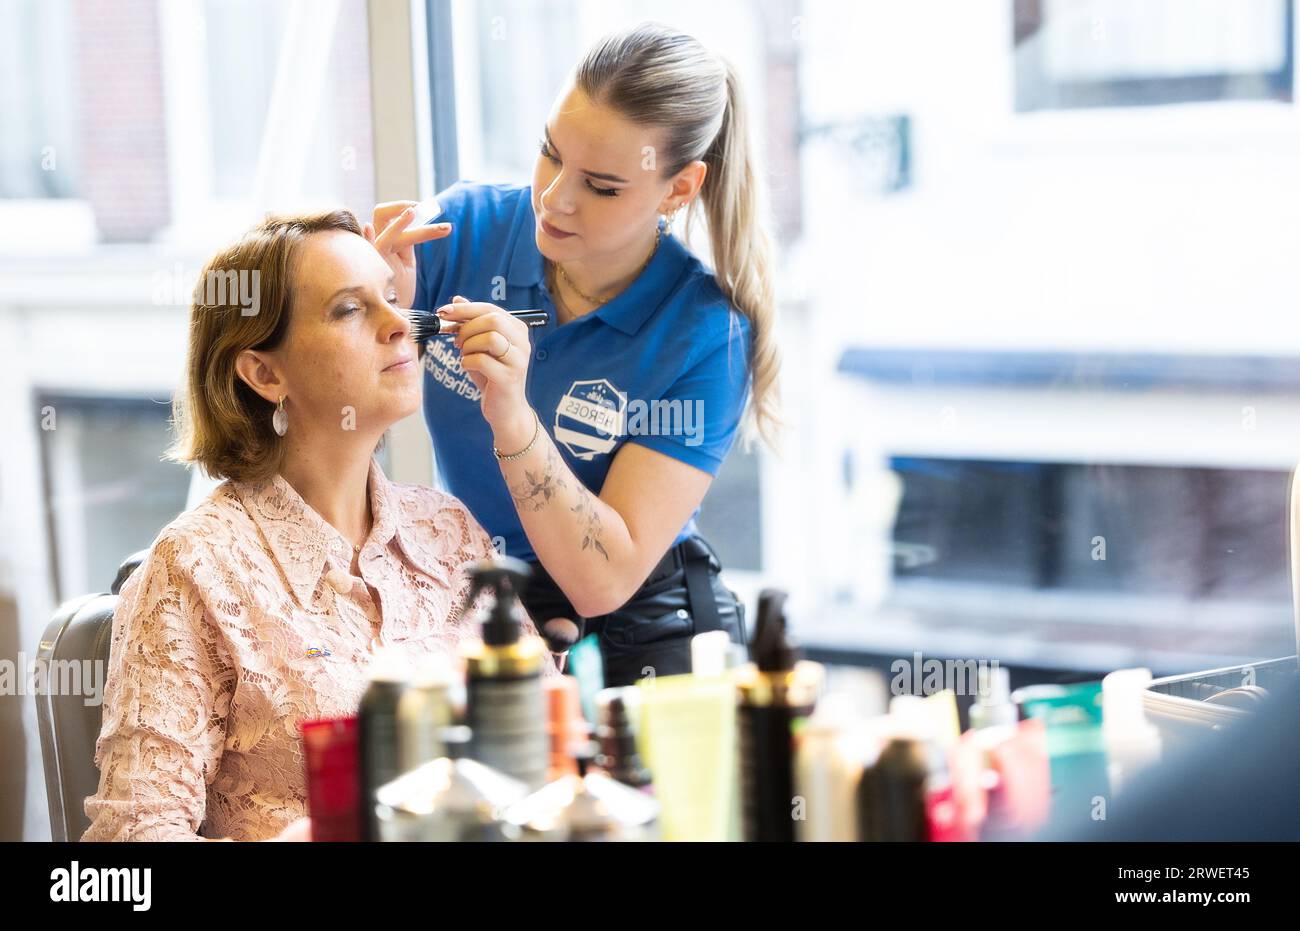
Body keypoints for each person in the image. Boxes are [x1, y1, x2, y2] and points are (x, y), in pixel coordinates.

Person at [82, 210, 556, 842]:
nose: (400, 324)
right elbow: (130, 842)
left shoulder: (449, 529)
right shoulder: (195, 567)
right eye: (349, 310)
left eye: (391, 298)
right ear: (265, 373)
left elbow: (551, 750)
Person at [369, 22, 780, 685]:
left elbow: (602, 580)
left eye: (602, 185)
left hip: (639, 621)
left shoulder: (705, 334)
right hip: (478, 598)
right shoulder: (461, 231)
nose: (555, 198)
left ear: (678, 189)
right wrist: (383, 309)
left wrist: (513, 415)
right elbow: (338, 414)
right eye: (550, 153)